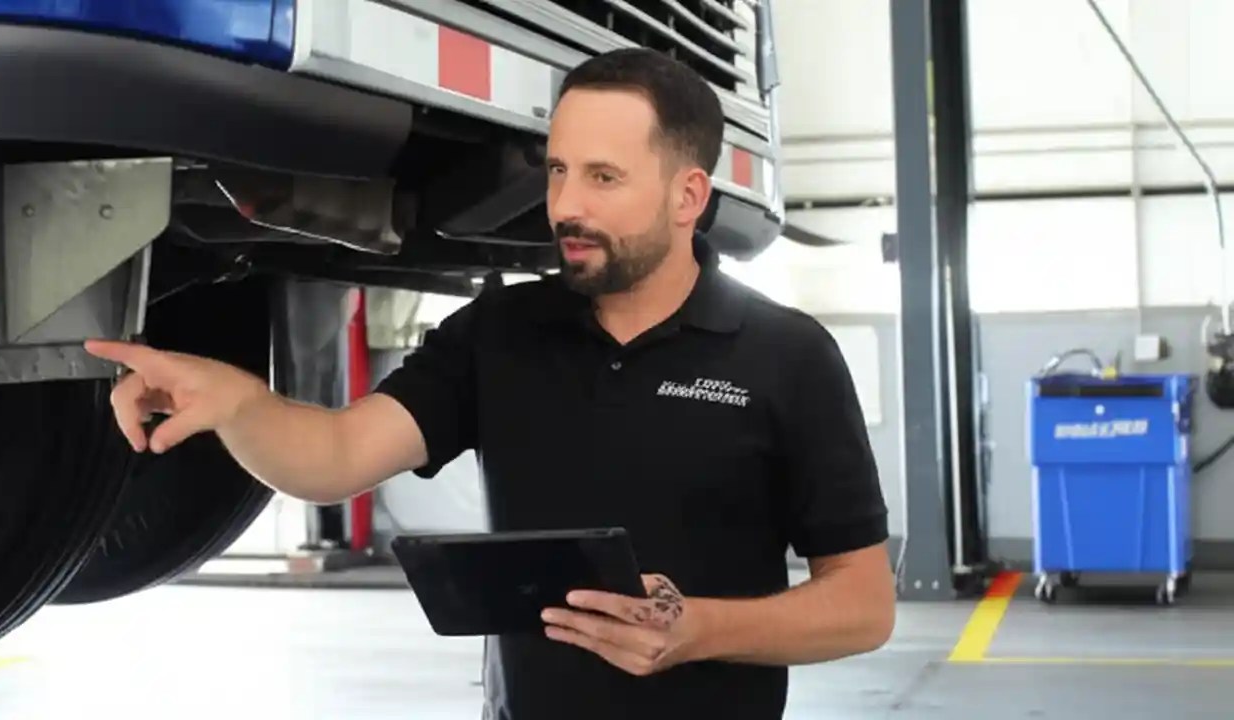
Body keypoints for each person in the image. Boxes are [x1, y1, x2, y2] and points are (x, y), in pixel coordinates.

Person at [86, 48, 895, 720]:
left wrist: (696, 629)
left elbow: (862, 604)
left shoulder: (787, 355)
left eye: (603, 179)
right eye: (557, 171)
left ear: (688, 196)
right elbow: (334, 454)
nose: (565, 206)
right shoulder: (499, 334)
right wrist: (233, 400)